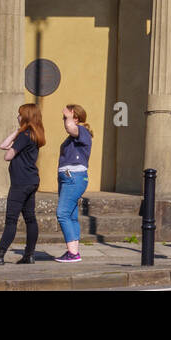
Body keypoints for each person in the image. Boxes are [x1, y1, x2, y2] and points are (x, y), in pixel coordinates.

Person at [0, 103, 45, 265]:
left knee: (11, 220)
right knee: (30, 218)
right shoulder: (32, 134)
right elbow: (3, 145)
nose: (17, 117)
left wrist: (20, 132)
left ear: (26, 116)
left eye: (20, 114)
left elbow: (7, 155)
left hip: (21, 182)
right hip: (31, 180)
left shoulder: (25, 135)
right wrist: (17, 130)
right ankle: (29, 255)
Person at [54, 103, 93, 262]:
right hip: (69, 178)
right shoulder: (74, 136)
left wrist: (69, 117)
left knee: (62, 213)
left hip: (74, 178)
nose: (64, 121)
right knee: (71, 215)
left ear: (76, 118)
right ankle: (74, 250)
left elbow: (71, 128)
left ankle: (72, 253)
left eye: (66, 117)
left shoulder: (82, 131)